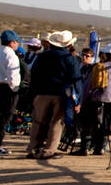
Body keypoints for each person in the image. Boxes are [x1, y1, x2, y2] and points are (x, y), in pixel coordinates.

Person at [25, 30, 80, 160]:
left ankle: (33, 148)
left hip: (41, 93)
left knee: (38, 121)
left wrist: (32, 94)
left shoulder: (42, 57)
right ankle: (49, 150)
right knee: (56, 123)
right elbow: (76, 79)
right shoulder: (70, 59)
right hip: (60, 94)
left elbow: (34, 74)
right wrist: (77, 99)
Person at [76, 43, 111, 155]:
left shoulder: (98, 66)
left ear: (105, 54)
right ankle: (100, 148)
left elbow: (88, 85)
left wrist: (82, 101)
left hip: (98, 99)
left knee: (89, 123)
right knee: (105, 124)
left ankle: (85, 148)